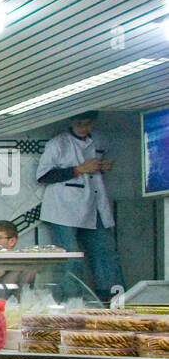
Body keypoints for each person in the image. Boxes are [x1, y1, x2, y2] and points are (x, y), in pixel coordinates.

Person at [36, 111, 125, 300]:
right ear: (71, 122)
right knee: (69, 258)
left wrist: (103, 167)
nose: (83, 128)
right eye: (79, 124)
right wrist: (79, 169)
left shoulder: (100, 140)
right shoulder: (58, 144)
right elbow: (43, 175)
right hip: (64, 210)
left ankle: (113, 299)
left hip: (94, 206)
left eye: (88, 124)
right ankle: (72, 301)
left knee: (106, 254)